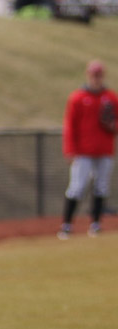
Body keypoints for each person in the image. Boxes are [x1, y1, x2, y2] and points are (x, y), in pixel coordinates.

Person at [58, 59, 117, 239]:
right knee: (77, 187)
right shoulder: (77, 97)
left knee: (101, 187)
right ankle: (67, 225)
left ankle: (96, 224)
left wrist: (113, 125)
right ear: (88, 75)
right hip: (83, 152)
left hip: (104, 150)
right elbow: (70, 125)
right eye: (94, 75)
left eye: (99, 75)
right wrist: (70, 149)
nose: (96, 78)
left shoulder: (111, 97)